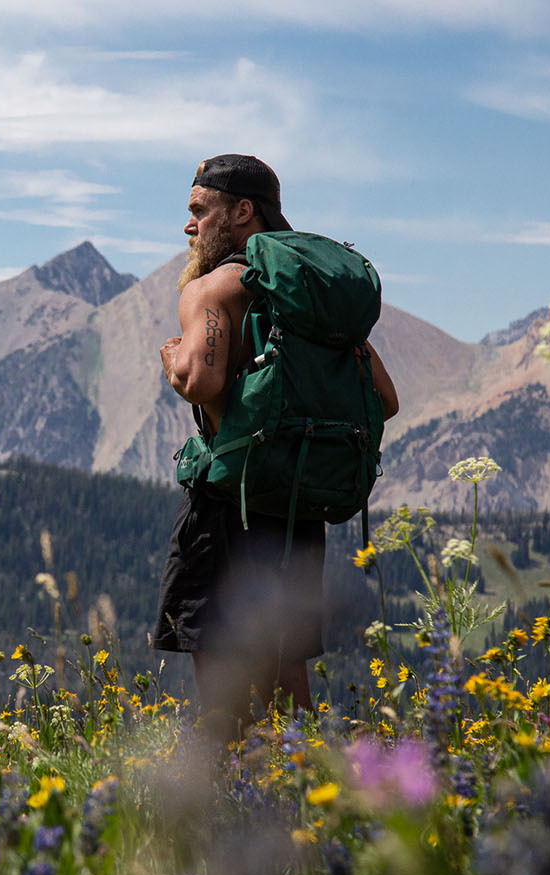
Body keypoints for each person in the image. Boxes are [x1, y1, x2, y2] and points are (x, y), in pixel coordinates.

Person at [155, 154, 399, 741]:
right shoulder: (310, 297)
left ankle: (229, 805)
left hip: (228, 502)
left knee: (223, 695)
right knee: (288, 680)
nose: (188, 226)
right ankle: (305, 796)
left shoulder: (213, 288)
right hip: (296, 510)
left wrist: (172, 360)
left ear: (242, 212)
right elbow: (385, 398)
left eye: (198, 211)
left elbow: (202, 381)